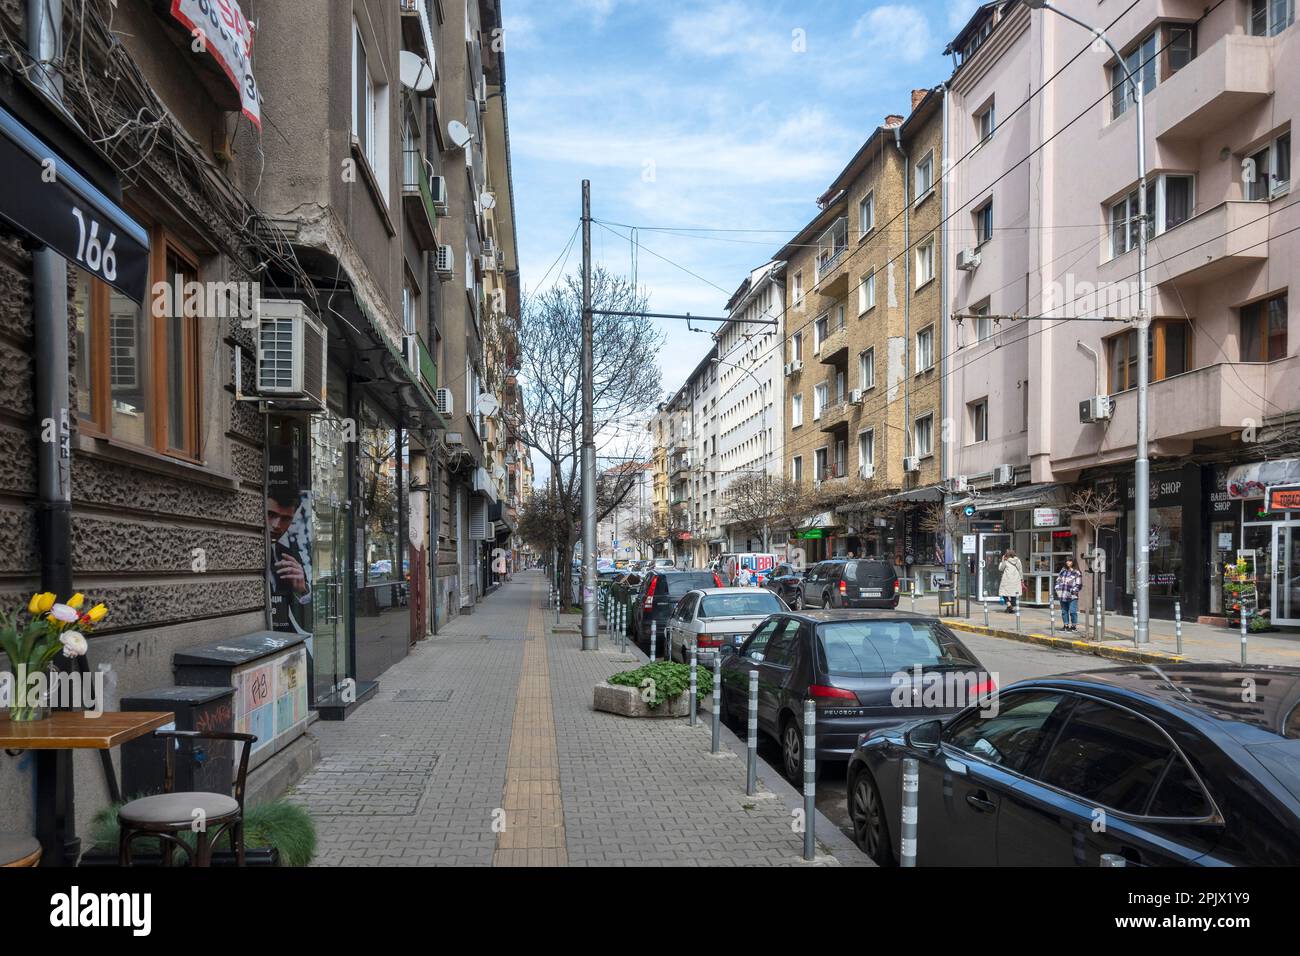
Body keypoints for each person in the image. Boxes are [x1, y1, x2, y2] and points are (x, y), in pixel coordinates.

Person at [1055, 558, 1083, 631]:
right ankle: (1066, 625)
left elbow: (1079, 585)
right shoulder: (1063, 571)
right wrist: (1057, 588)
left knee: (1073, 611)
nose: (1068, 562)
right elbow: (1058, 580)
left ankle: (1074, 626)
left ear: (1073, 562)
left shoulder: (1076, 572)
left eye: (1070, 561)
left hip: (1072, 596)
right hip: (1062, 594)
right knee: (1064, 611)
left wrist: (1072, 591)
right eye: (1067, 560)